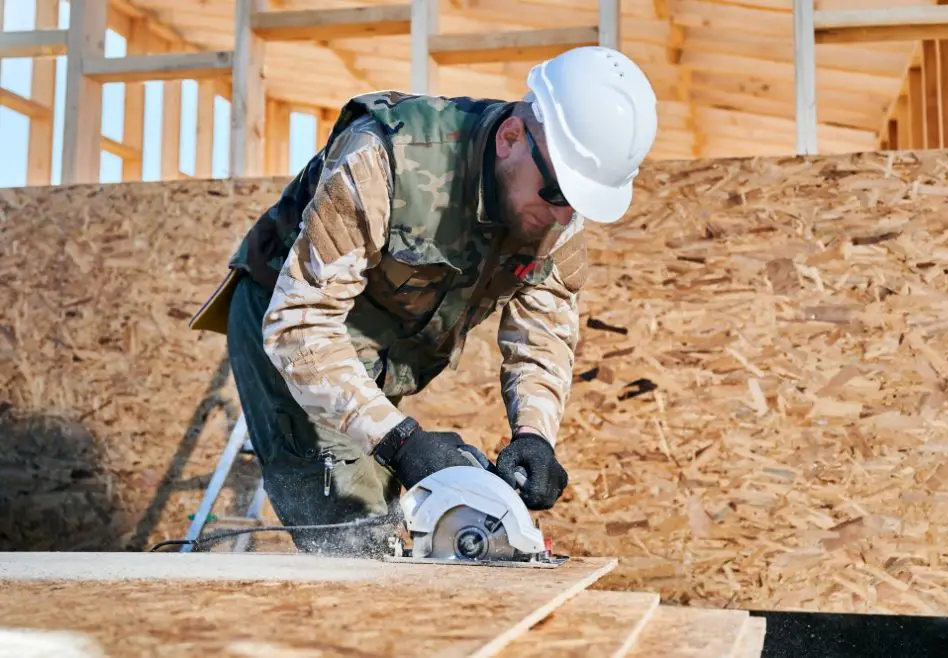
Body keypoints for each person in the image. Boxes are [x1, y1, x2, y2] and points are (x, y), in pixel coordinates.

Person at [189, 45, 658, 555]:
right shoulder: (383, 158)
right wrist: (401, 441)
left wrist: (534, 435)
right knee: (356, 533)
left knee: (395, 523)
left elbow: (543, 334)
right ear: (510, 138)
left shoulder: (558, 210)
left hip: (376, 355)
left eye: (579, 205)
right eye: (557, 194)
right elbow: (300, 325)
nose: (565, 218)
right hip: (296, 329)